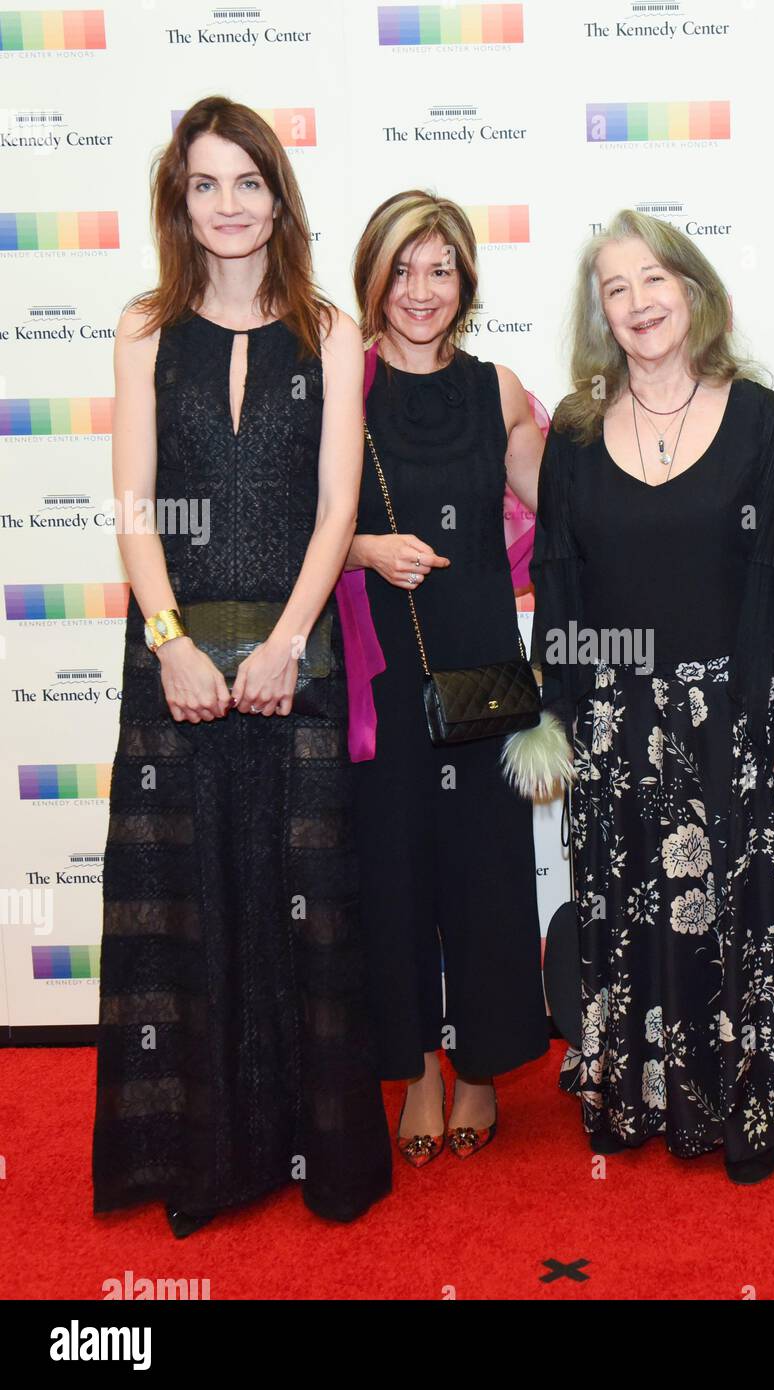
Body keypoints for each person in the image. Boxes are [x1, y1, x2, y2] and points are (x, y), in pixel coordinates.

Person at [92, 97, 392, 1236]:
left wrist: (283, 641)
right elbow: (133, 505)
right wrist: (169, 644)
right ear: (181, 200)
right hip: (172, 659)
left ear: (279, 195)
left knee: (299, 902)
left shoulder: (327, 327)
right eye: (205, 184)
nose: (227, 204)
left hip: (290, 654)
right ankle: (202, 1153)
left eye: (247, 182)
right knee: (191, 901)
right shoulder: (140, 327)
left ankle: (311, 1150)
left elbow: (335, 509)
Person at [531, 210, 774, 1185]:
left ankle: (753, 1096)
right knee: (634, 916)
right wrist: (566, 717)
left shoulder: (757, 421)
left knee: (747, 915)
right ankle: (643, 1094)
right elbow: (558, 582)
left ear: (694, 291)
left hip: (739, 722)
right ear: (600, 314)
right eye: (614, 290)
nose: (636, 304)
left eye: (653, 280)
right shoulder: (574, 435)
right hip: (622, 731)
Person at [339, 191, 549, 1166]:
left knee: (488, 874)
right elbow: (295, 528)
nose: (421, 291)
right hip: (381, 674)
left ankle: (480, 1070)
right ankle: (418, 1067)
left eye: (441, 269)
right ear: (372, 278)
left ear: (465, 280)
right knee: (392, 873)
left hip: (483, 678)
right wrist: (370, 547)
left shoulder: (498, 391)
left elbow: (571, 513)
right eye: (403, 269)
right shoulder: (342, 387)